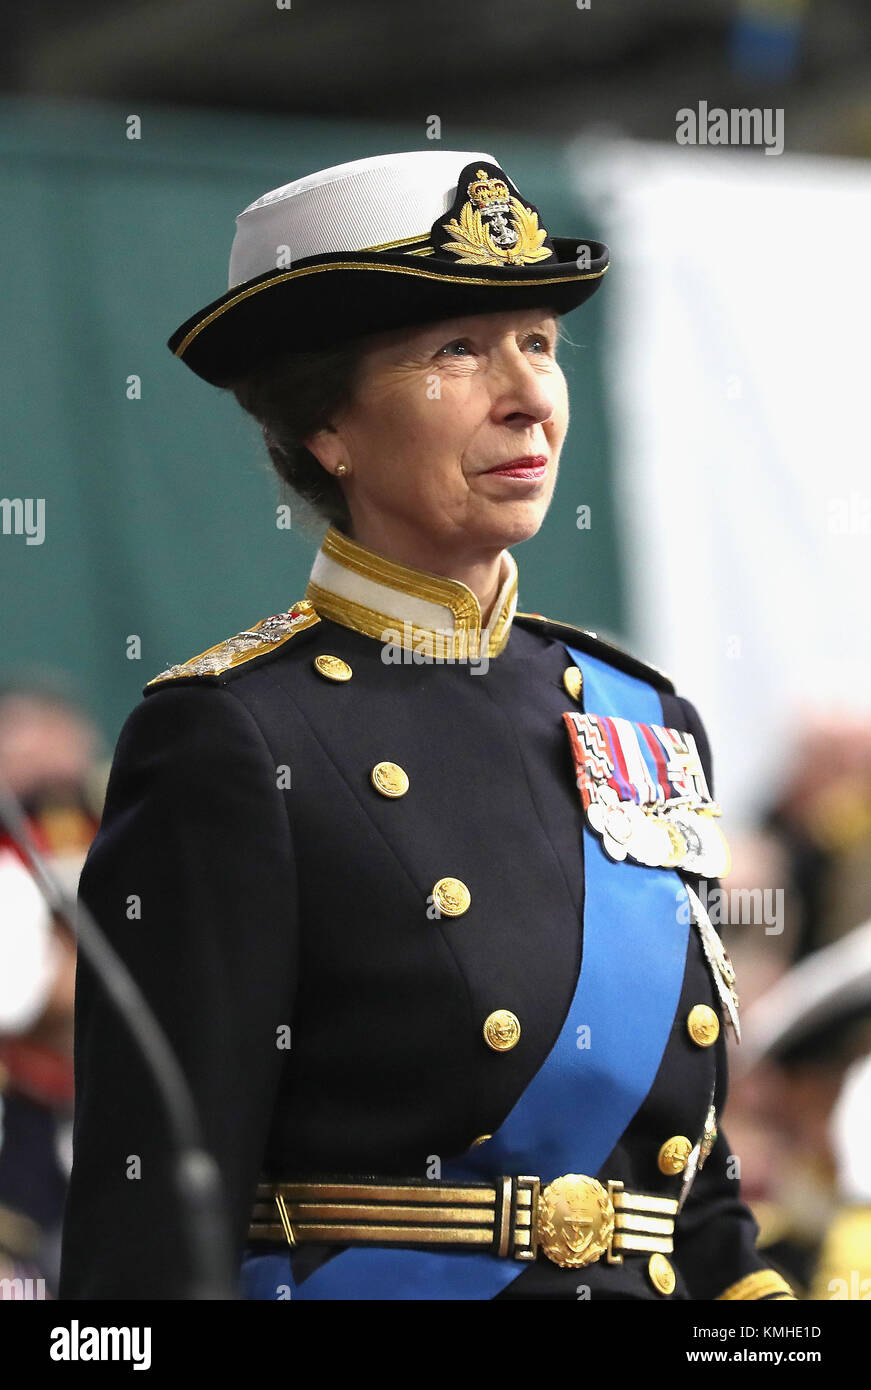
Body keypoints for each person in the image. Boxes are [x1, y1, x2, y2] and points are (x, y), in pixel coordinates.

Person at [59, 149, 795, 1301]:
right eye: (458, 350)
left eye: (539, 342)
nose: (528, 395)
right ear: (327, 429)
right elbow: (152, 1209)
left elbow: (687, 1206)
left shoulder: (643, 717)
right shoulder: (236, 735)